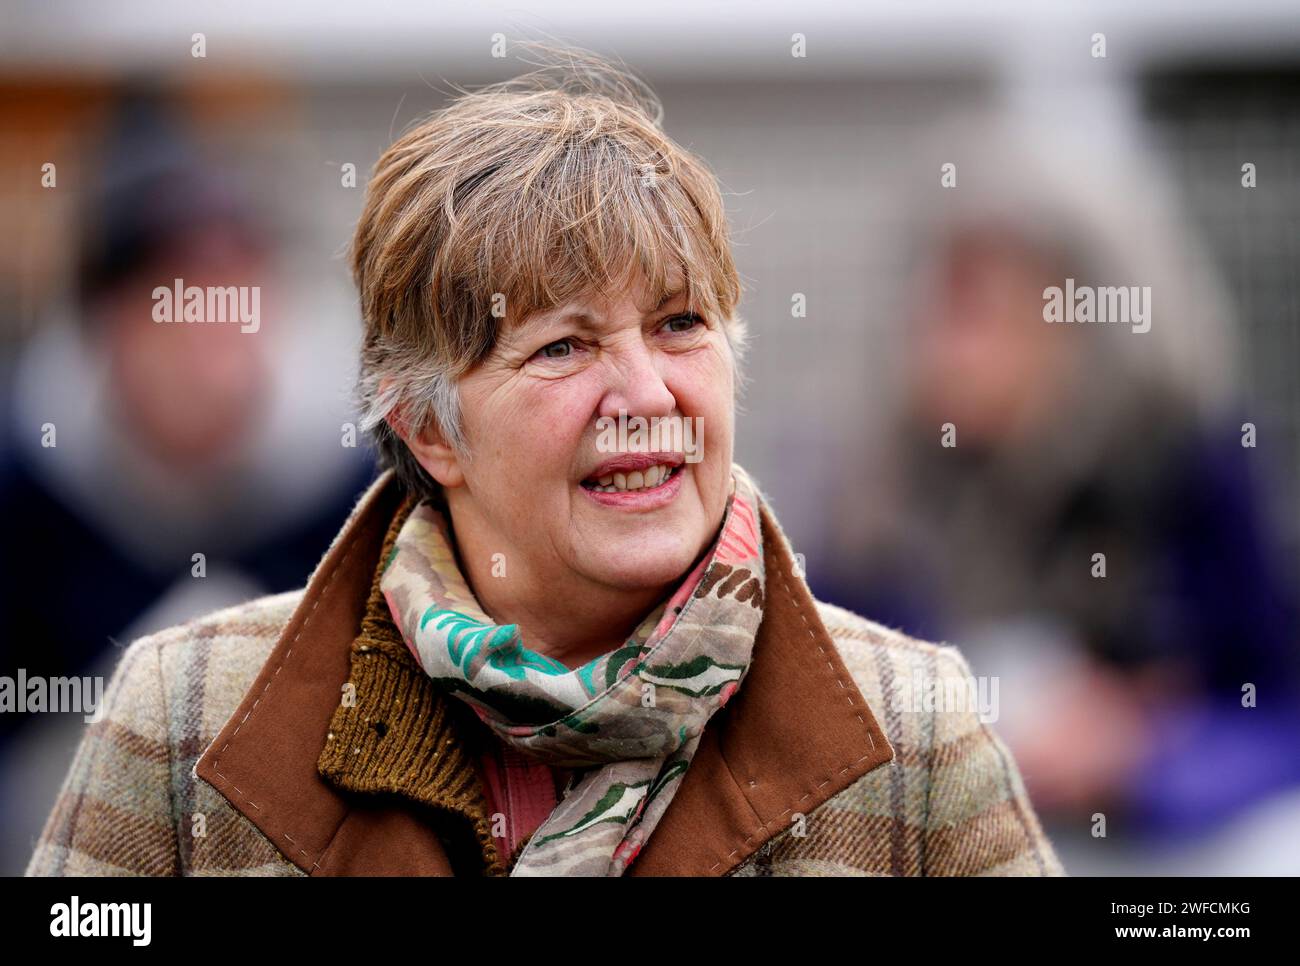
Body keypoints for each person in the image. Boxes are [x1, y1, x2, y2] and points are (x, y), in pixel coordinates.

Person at [26, 49, 1064, 877]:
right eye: (563, 346)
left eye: (679, 324)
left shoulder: (916, 739)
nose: (648, 395)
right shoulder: (184, 721)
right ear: (429, 429)